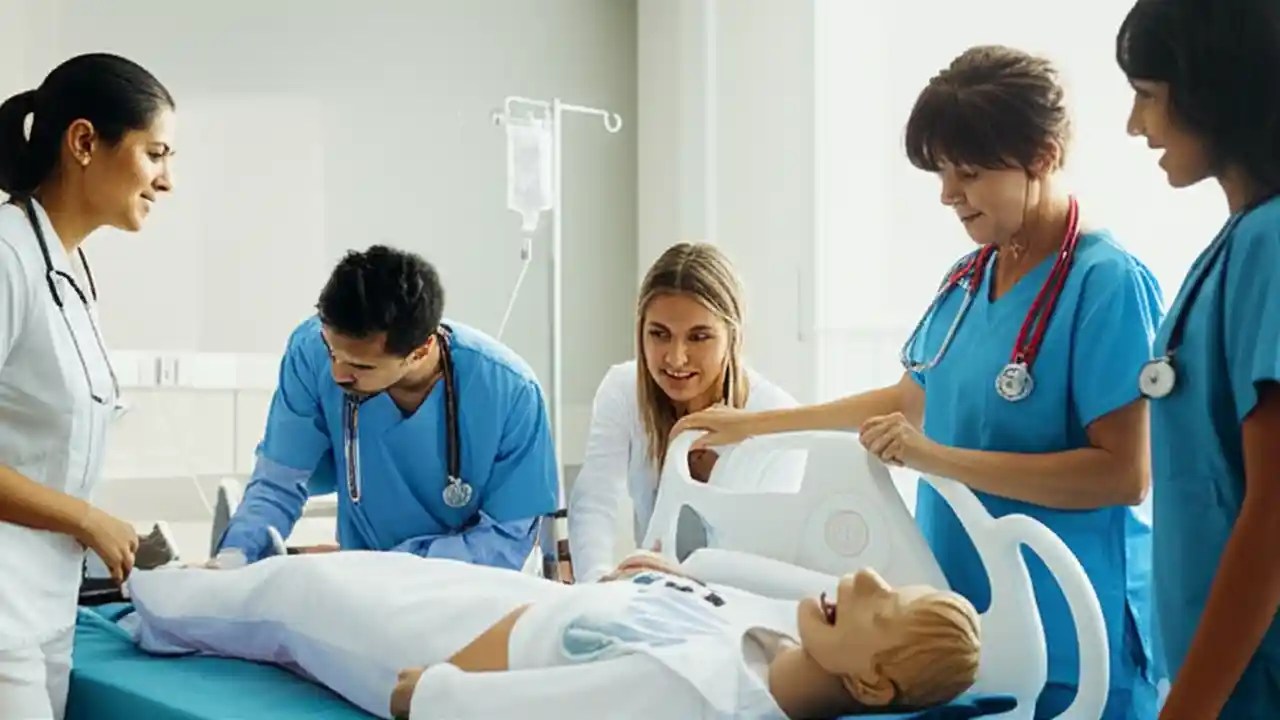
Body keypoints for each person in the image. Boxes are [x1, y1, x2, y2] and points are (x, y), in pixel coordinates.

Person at [676, 46, 1165, 718]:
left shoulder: (1107, 285)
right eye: (941, 172)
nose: (947, 194)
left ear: (1043, 156)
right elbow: (910, 401)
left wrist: (937, 459)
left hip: (1072, 631)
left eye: (968, 172)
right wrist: (749, 425)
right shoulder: (969, 279)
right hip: (957, 620)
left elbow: (1123, 475)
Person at [121, 550, 981, 719]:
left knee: (301, 593)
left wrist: (440, 697)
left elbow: (566, 704)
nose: (863, 581)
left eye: (883, 610)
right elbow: (723, 607)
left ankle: (146, 592)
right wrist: (675, 577)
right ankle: (200, 574)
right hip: (520, 596)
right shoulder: (786, 644)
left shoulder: (702, 699)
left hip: (460, 646)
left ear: (871, 687)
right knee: (356, 558)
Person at [0, 53, 176, 719]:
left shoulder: (68, 273)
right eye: (155, 153)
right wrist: (87, 519)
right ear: (82, 142)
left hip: (45, 603)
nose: (167, 180)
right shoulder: (7, 255)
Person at [1117, 0, 1280, 717]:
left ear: (1218, 89)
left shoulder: (1271, 245)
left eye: (1148, 97)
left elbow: (1275, 513)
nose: (1135, 125)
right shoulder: (1242, 242)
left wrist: (1190, 708)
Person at [214, 245, 559, 571]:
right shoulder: (310, 352)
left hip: (467, 592)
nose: (337, 373)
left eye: (361, 367)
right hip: (367, 590)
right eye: (332, 352)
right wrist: (235, 555)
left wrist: (385, 568)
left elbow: (506, 539)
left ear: (421, 350)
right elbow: (279, 482)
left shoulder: (509, 392)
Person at [568, 242, 804, 583]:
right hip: (653, 599)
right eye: (659, 334)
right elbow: (594, 502)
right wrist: (597, 584)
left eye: (699, 337)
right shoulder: (622, 391)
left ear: (732, 337)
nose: (676, 358)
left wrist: (680, 577)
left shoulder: (774, 416)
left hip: (739, 606)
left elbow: (766, 560)